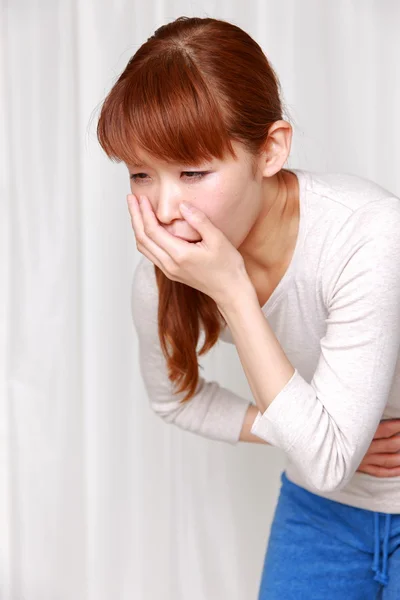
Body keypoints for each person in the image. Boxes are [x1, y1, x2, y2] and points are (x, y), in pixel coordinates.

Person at [96, 16, 400, 599]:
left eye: (193, 172)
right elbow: (177, 399)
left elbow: (328, 456)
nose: (162, 209)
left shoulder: (366, 233)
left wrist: (231, 289)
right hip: (321, 511)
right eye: (140, 173)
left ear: (271, 150)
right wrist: (302, 431)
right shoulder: (168, 275)